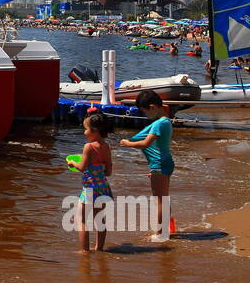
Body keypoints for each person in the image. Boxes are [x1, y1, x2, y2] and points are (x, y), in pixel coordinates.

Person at [120, 90, 174, 242]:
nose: (145, 115)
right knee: (164, 198)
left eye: (144, 111)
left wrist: (127, 143)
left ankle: (160, 233)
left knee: (159, 201)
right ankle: (169, 229)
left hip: (159, 164)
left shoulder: (158, 123)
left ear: (152, 107)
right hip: (165, 163)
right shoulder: (166, 120)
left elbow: (145, 143)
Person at [72, 111, 115, 252]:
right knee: (100, 220)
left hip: (90, 189)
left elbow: (82, 167)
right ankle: (99, 249)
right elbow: (108, 171)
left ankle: (84, 252)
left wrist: (72, 163)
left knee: (82, 220)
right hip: (103, 188)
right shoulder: (106, 147)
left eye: (86, 129)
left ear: (94, 131)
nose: (84, 132)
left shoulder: (88, 147)